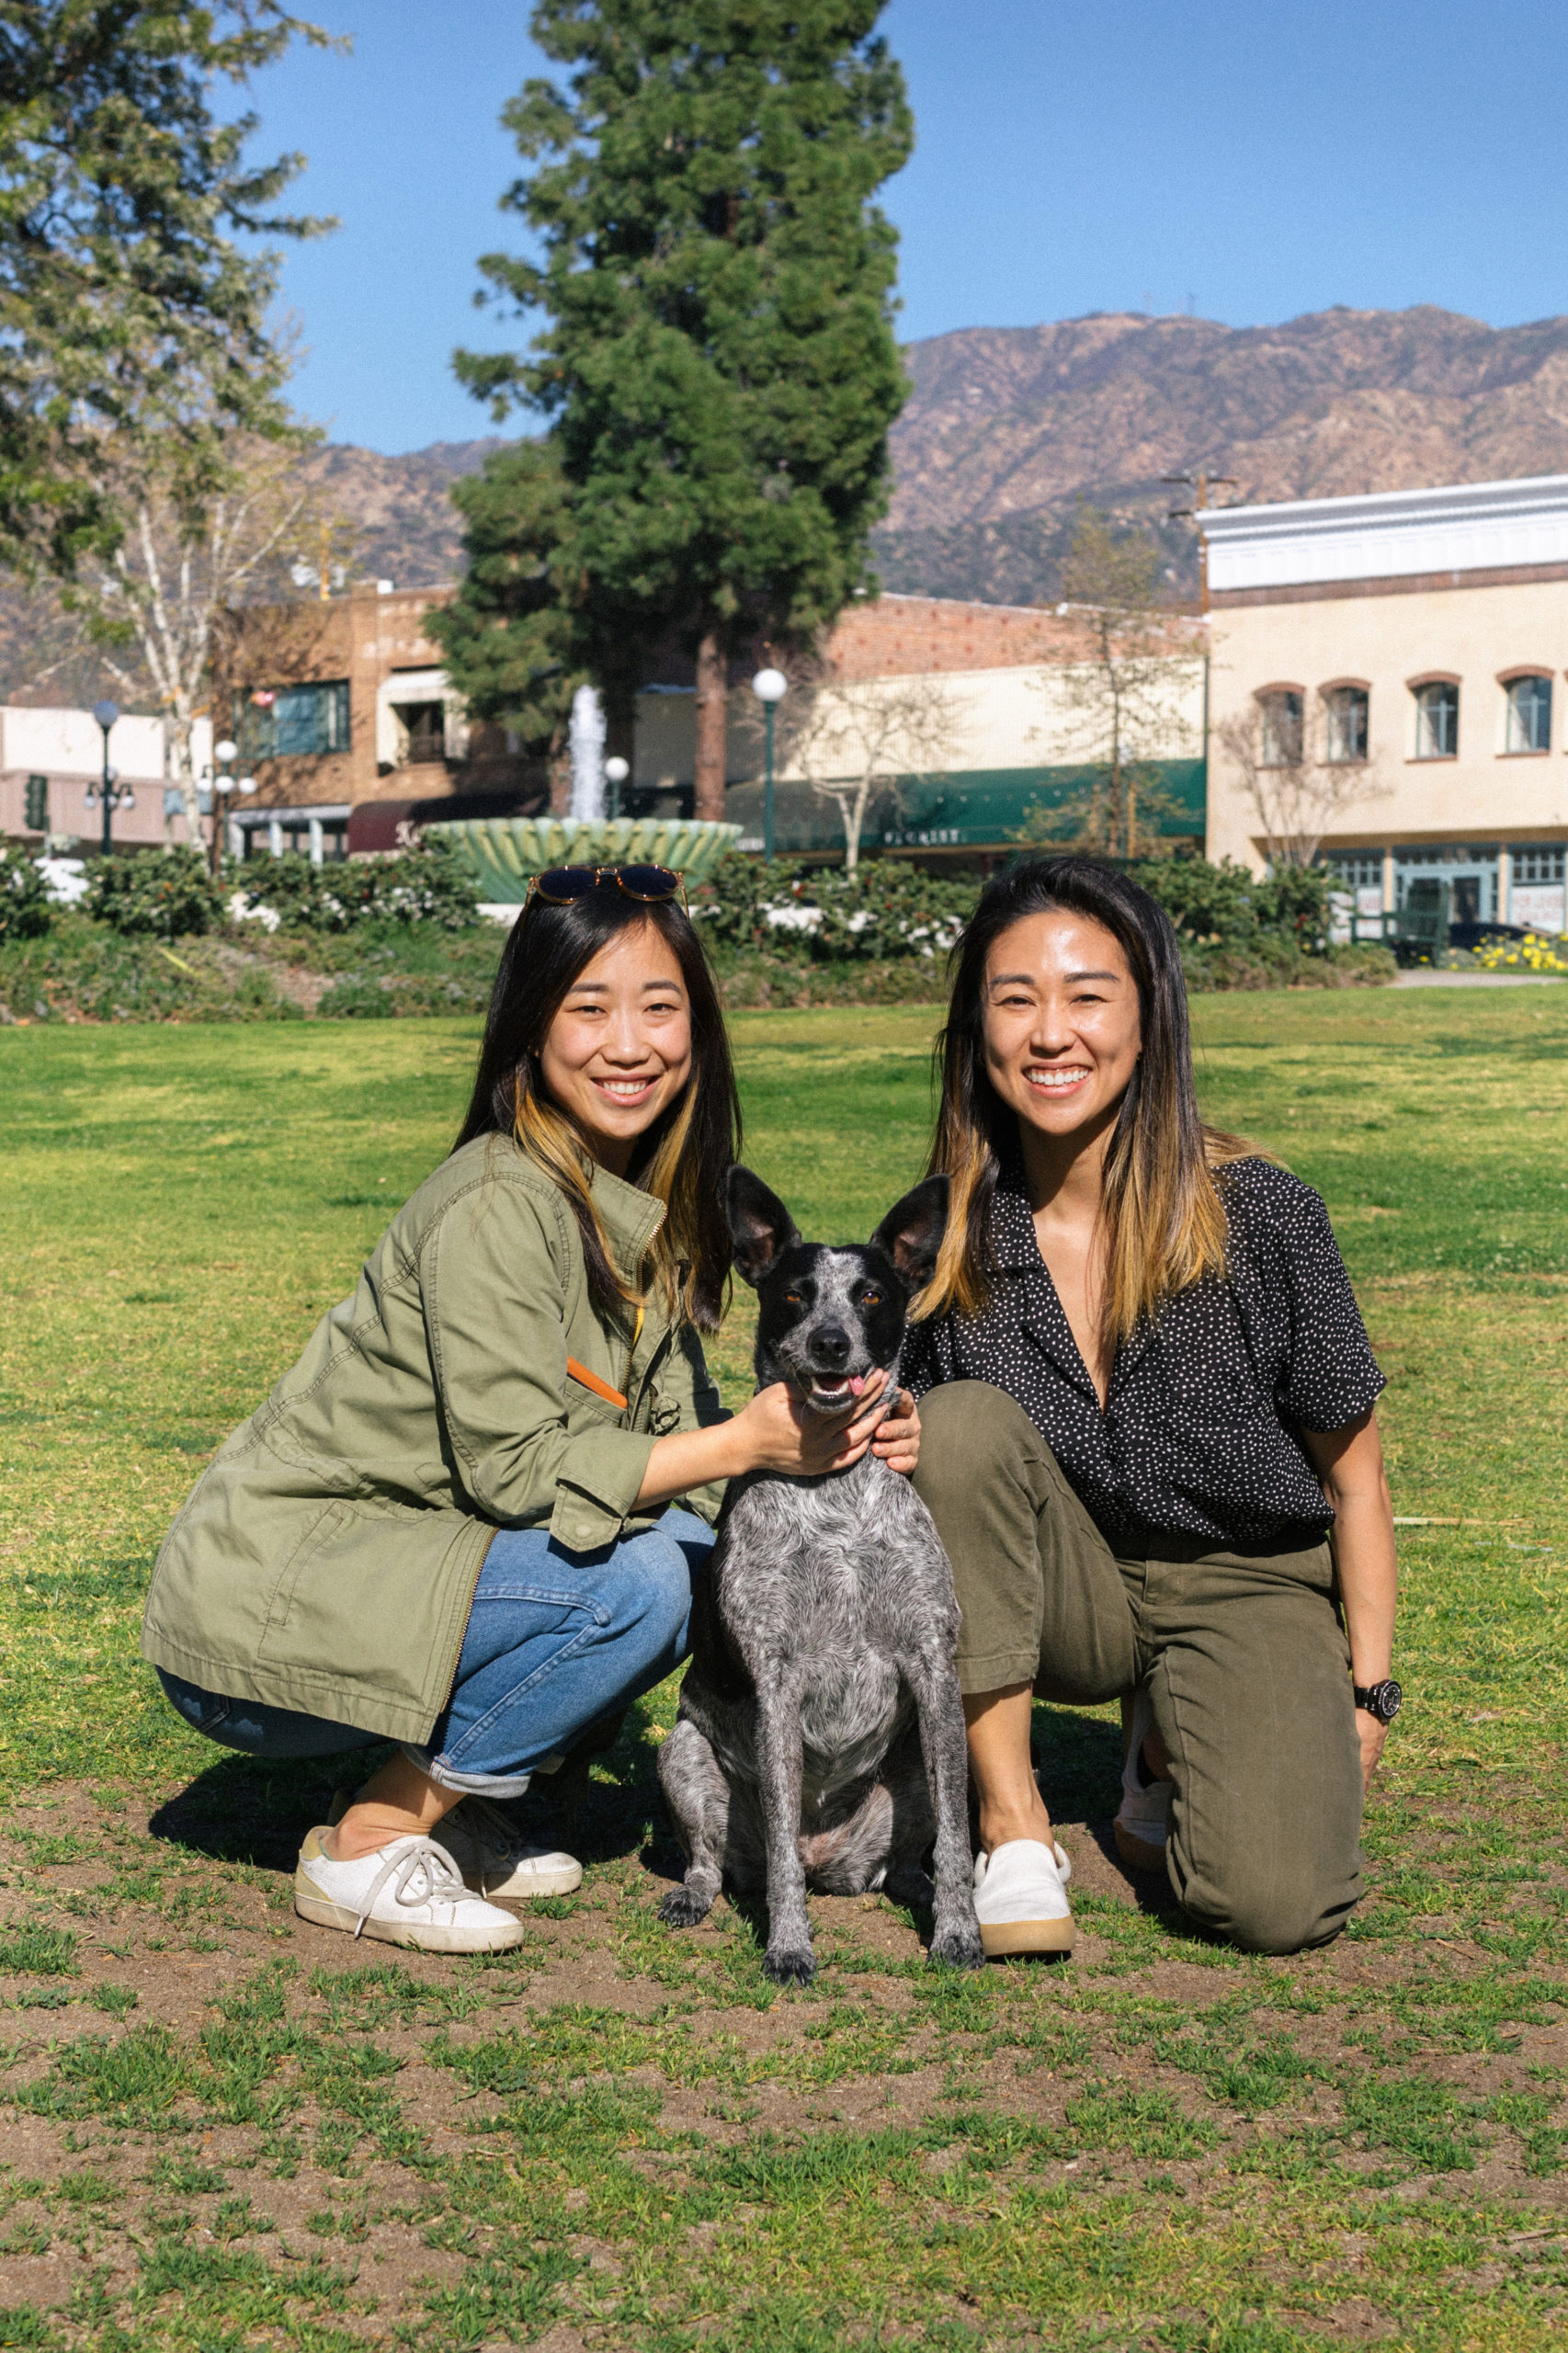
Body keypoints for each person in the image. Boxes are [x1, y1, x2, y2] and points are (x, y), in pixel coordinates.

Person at [142, 864, 921, 1953]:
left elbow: (677, 1455)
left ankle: (466, 1809)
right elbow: (521, 1473)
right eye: (587, 1006)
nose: (628, 1041)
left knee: (703, 1561)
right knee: (647, 1583)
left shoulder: (633, 1210)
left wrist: (857, 1436)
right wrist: (743, 1441)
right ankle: (371, 1840)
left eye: (660, 1007)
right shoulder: (501, 1203)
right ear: (530, 1024)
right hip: (264, 1607)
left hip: (403, 1568)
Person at [904, 857, 1399, 1960]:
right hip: (1061, 1583)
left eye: (1086, 994)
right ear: (975, 1025)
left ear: (1147, 1017)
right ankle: (1011, 1820)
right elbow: (934, 1478)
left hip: (1241, 1573)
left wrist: (1368, 1692)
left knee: (1275, 1906)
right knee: (956, 1422)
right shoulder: (944, 1237)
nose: (1050, 1033)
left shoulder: (1262, 1214)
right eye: (1015, 996)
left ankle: (1157, 1763)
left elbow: (1353, 1476)